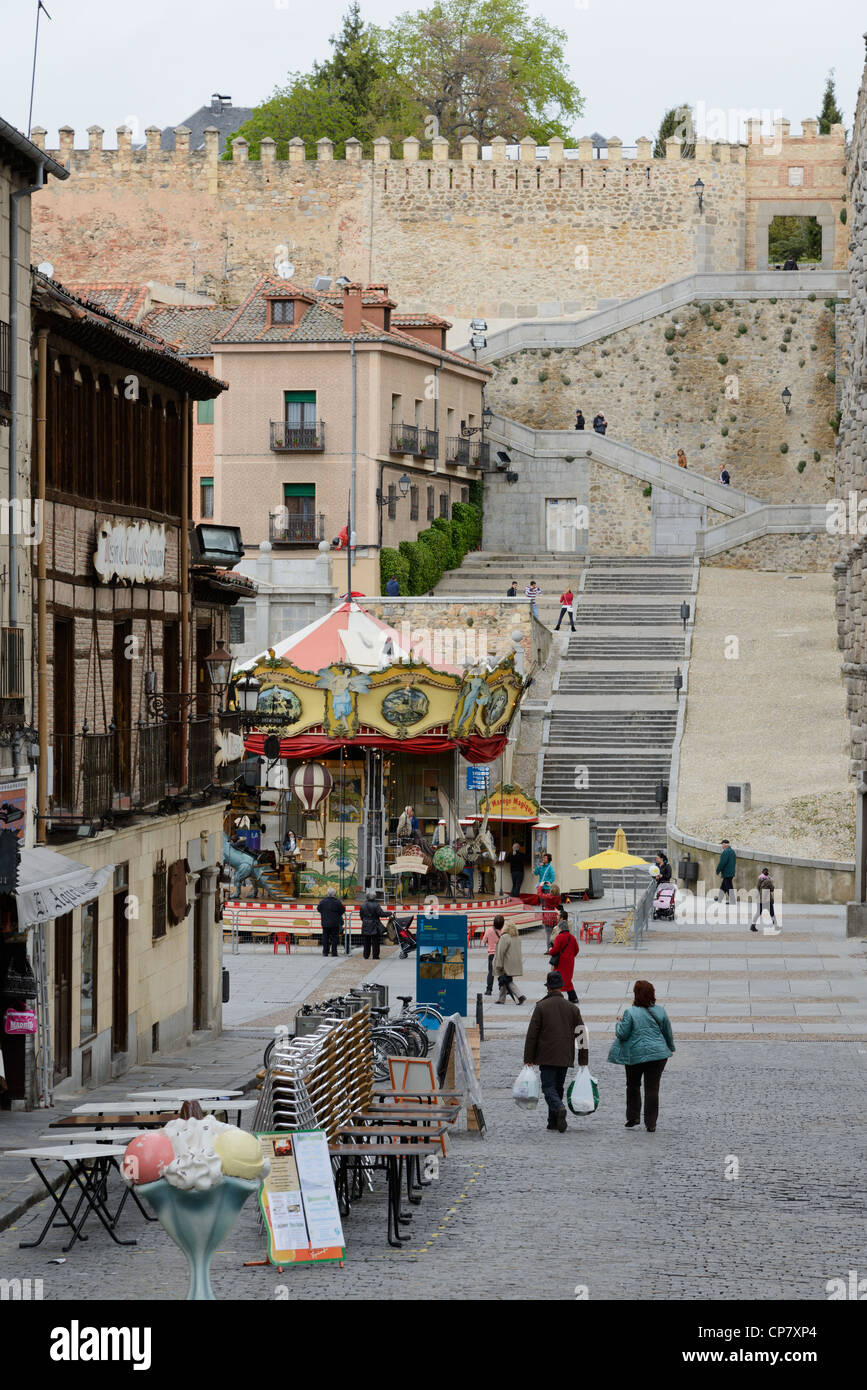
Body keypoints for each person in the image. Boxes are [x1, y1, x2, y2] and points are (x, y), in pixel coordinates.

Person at [523, 970, 589, 1132]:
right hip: (565, 1055)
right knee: (558, 1087)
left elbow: (532, 1035)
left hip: (546, 1055)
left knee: (548, 1088)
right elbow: (582, 1034)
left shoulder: (541, 1007)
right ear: (561, 988)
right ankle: (553, 1121)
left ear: (548, 988)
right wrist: (583, 1058)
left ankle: (559, 1109)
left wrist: (528, 1058)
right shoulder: (572, 1008)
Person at [607, 979, 675, 1132]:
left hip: (635, 1055)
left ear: (636, 995)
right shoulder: (660, 1011)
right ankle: (651, 1123)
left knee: (633, 1085)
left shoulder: (630, 1012)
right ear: (652, 994)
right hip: (658, 1056)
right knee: (652, 1089)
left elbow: (622, 1034)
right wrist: (669, 1048)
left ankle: (633, 1117)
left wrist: (619, 1022)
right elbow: (667, 1032)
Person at [549, 911, 579, 1003]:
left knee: (556, 978)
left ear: (561, 928)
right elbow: (577, 950)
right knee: (567, 979)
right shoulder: (572, 937)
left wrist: (550, 950)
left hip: (560, 962)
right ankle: (573, 997)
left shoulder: (559, 937)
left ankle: (554, 997)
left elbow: (555, 950)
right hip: (570, 961)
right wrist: (571, 956)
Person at [493, 921, 526, 1004]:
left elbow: (501, 952)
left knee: (506, 980)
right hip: (514, 962)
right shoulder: (517, 937)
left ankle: (520, 996)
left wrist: (498, 964)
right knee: (504, 979)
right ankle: (501, 999)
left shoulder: (504, 937)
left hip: (506, 962)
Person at [316, 886, 345, 957]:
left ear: (327, 893)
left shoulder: (323, 901)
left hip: (325, 923)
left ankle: (325, 952)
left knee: (325, 937)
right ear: (334, 894)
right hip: (335, 923)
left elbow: (318, 909)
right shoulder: (337, 902)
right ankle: (334, 952)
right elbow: (342, 910)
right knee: (334, 938)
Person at [359, 889, 387, 960]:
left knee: (366, 942)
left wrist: (365, 921)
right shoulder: (376, 905)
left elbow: (361, 916)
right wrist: (389, 913)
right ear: (375, 897)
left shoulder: (363, 905)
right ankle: (375, 956)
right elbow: (381, 914)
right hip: (374, 924)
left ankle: (366, 956)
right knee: (375, 942)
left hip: (365, 924)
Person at [481, 915, 504, 996]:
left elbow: (484, 940)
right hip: (500, 954)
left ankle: (489, 990)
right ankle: (502, 988)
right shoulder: (503, 931)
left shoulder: (489, 930)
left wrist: (490, 943)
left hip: (491, 954)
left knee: (491, 972)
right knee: (501, 972)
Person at [751, 868, 778, 934]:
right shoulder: (768, 881)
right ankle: (776, 926)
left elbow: (757, 887)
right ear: (768, 873)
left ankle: (752, 926)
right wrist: (771, 882)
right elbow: (772, 889)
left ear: (762, 872)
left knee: (758, 913)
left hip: (760, 899)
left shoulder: (759, 879)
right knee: (772, 913)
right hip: (767, 900)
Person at [716, 839, 736, 905]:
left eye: (722, 844)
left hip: (727, 872)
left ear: (725, 844)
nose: (721, 845)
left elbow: (722, 862)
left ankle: (732, 900)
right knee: (724, 886)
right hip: (731, 872)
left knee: (729, 886)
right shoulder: (732, 851)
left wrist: (718, 870)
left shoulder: (725, 852)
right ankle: (719, 898)